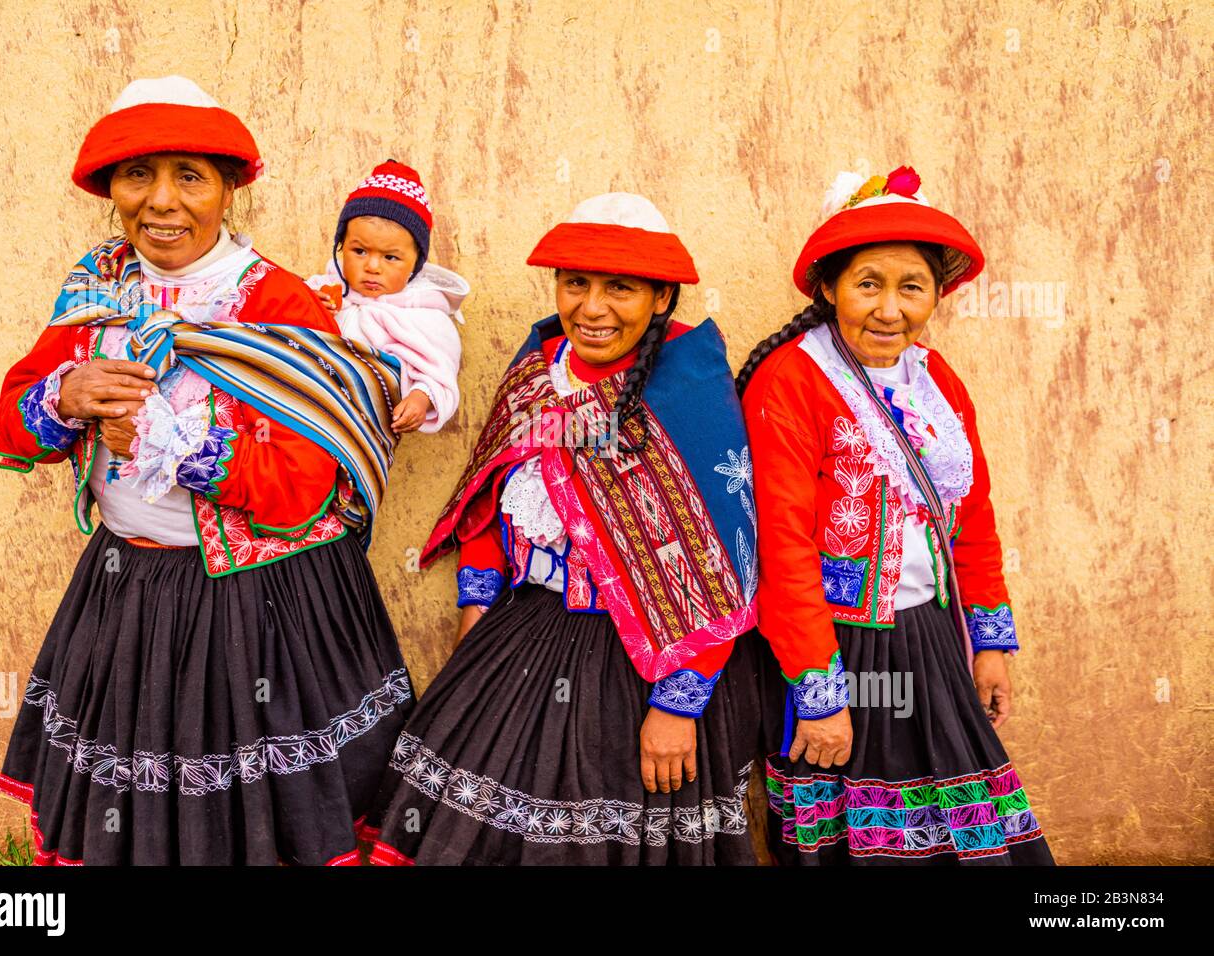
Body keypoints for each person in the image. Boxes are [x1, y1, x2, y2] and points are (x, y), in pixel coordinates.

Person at [0, 76, 413, 865]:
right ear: (111, 190)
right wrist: (66, 394)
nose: (162, 202)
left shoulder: (277, 304)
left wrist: (173, 440)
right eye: (137, 175)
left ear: (229, 190)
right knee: (138, 811)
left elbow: (301, 487)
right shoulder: (98, 289)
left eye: (190, 177)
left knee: (262, 816)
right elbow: (14, 424)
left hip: (262, 605)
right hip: (127, 592)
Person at [367, 192, 762, 865]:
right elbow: (488, 502)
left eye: (621, 288)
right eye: (575, 283)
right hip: (525, 638)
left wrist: (678, 705)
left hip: (651, 666)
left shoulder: (689, 396)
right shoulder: (537, 375)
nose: (593, 307)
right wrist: (474, 618)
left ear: (661, 298)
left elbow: (722, 562)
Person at [737, 165, 1054, 864]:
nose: (889, 310)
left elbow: (973, 517)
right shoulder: (791, 380)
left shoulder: (936, 381)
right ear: (829, 288)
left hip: (934, 640)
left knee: (965, 833)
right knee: (856, 842)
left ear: (936, 294)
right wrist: (819, 690)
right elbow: (781, 542)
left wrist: (990, 640)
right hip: (837, 649)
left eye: (911, 287)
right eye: (867, 284)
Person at [305, 159, 469, 434]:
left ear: (415, 263)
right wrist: (309, 307)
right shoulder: (322, 290)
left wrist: (420, 399)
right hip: (308, 414)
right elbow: (284, 333)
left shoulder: (426, 317)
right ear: (341, 247)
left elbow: (438, 371)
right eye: (359, 251)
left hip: (365, 429)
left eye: (390, 257)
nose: (372, 266)